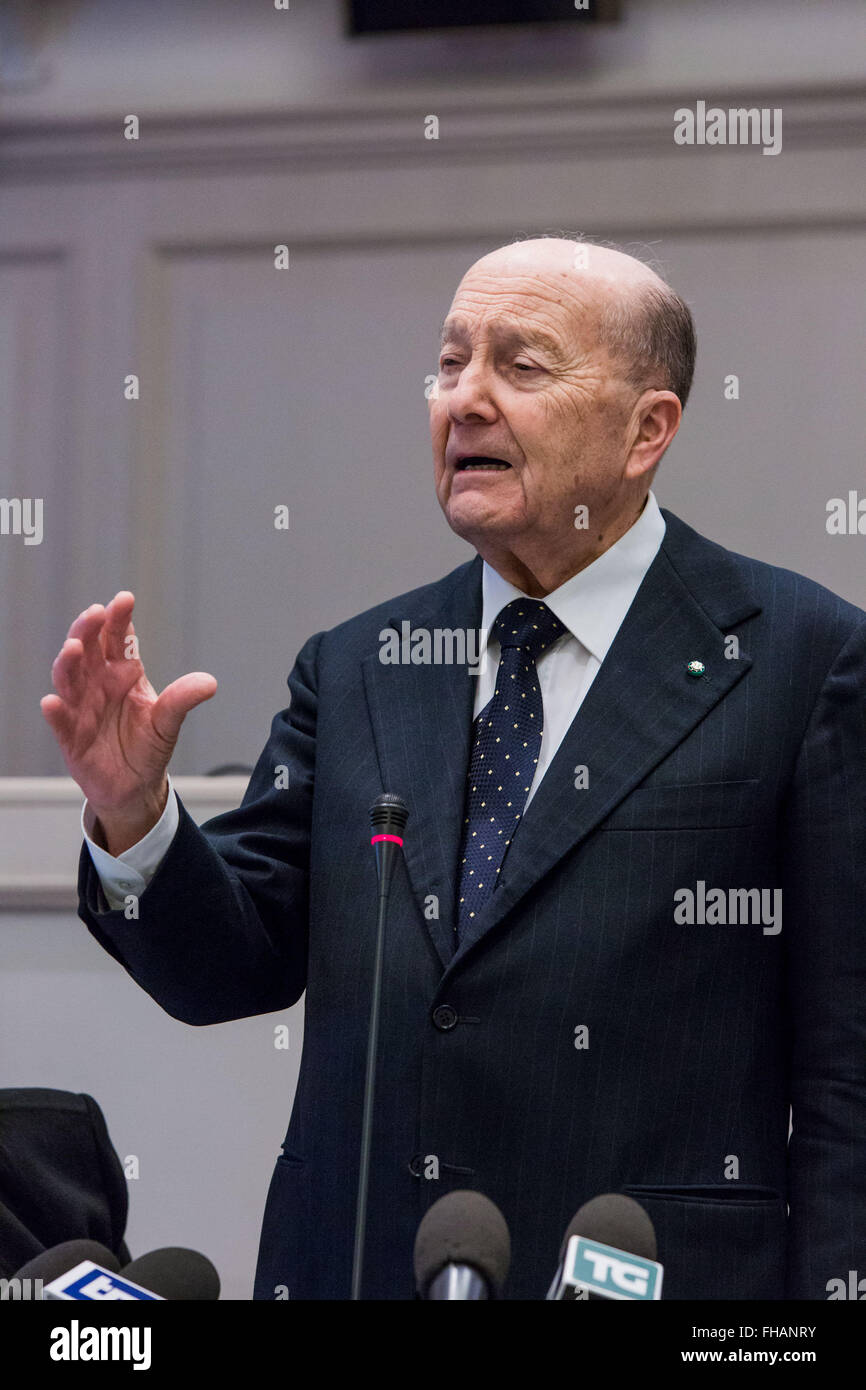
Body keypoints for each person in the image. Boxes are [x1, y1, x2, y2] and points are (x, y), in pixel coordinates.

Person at [41, 238, 866, 1300]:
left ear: (645, 429)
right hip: (363, 1268)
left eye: (520, 367)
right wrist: (136, 816)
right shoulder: (356, 667)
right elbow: (227, 967)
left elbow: (848, 1073)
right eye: (448, 364)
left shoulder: (799, 659)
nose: (463, 400)